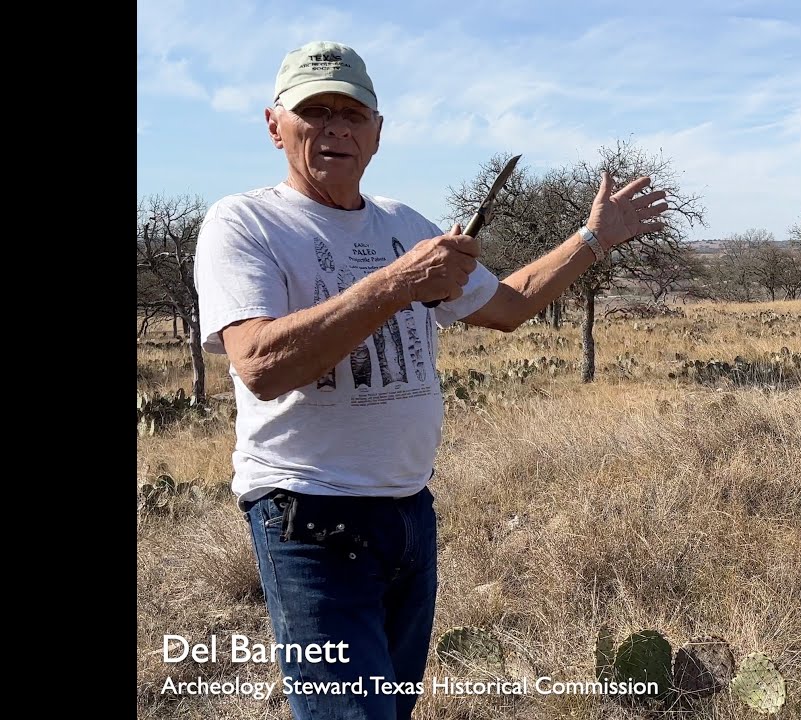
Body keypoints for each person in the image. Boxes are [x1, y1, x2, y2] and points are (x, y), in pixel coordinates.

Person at [193, 40, 669, 720]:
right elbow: (261, 366)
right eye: (314, 111)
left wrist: (593, 240)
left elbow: (509, 306)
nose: (334, 128)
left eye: (352, 114)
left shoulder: (403, 225)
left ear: (377, 132)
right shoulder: (245, 223)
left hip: (409, 512)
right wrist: (397, 283)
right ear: (275, 126)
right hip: (310, 517)